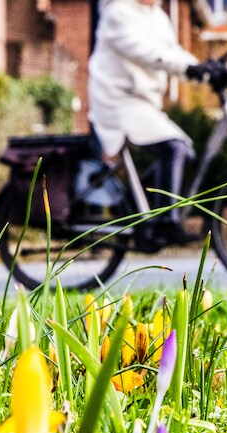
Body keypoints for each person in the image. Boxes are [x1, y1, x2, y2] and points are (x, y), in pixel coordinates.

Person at [88, 0, 212, 250]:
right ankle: (167, 220)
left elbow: (172, 52)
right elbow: (146, 52)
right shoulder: (117, 12)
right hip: (116, 101)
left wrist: (207, 70)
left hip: (142, 104)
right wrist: (190, 68)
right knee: (174, 148)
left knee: (184, 150)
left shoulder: (158, 17)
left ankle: (138, 205)